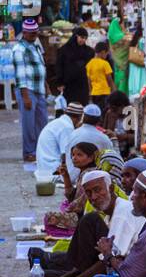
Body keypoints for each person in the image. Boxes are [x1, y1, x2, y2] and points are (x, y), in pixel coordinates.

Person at [40, 168, 143, 277]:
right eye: (88, 193)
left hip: (128, 274)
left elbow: (108, 260)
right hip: (114, 267)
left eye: (97, 190)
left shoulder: (122, 213)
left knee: (90, 220)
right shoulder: (109, 216)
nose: (93, 197)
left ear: (110, 189)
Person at [12, 18, 48, 162]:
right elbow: (20, 75)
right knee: (29, 124)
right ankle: (29, 152)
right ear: (24, 33)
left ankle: (40, 150)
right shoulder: (19, 49)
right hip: (28, 91)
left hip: (39, 90)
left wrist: (47, 88)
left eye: (35, 32)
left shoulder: (36, 47)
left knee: (42, 122)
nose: (34, 35)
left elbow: (41, 68)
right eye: (31, 33)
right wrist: (25, 96)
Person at [35, 100, 83, 175]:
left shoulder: (59, 122)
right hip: (53, 170)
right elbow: (66, 155)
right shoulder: (67, 127)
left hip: (44, 167)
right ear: (79, 118)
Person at [55, 26, 92, 106]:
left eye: (85, 38)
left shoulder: (88, 51)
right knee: (70, 107)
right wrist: (59, 82)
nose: (83, 40)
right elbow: (59, 66)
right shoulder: (64, 50)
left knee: (82, 106)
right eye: (81, 37)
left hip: (83, 84)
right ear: (76, 36)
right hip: (69, 85)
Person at [86, 40, 115, 113]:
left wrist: (90, 92)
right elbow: (109, 79)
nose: (107, 55)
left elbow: (88, 80)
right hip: (104, 92)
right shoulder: (105, 63)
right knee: (105, 112)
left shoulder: (89, 64)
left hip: (94, 93)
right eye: (106, 53)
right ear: (102, 52)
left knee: (97, 112)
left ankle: (98, 124)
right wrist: (113, 90)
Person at [107, 15, 130, 95]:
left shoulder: (116, 34)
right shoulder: (118, 35)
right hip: (121, 63)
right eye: (122, 24)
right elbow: (125, 40)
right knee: (121, 80)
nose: (123, 26)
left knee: (119, 79)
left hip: (118, 62)